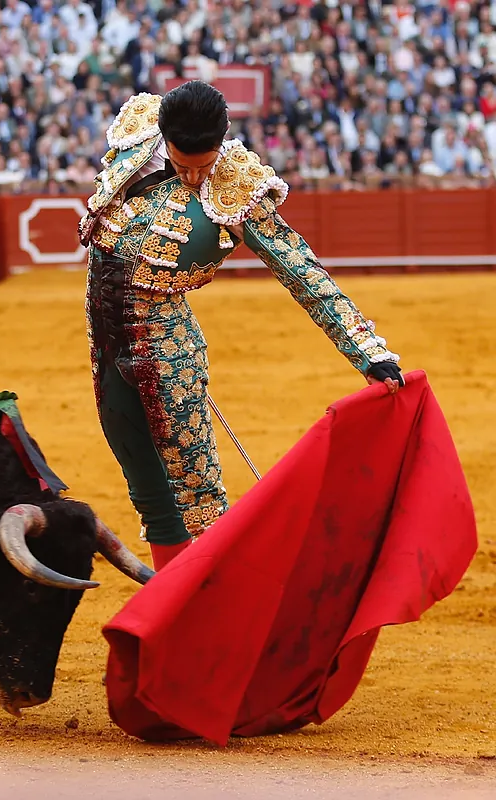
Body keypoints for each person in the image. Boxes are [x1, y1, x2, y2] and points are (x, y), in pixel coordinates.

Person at [78, 81, 404, 571]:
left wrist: (367, 351)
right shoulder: (138, 131)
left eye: (202, 166)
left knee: (199, 499)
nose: (191, 177)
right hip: (104, 343)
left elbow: (301, 271)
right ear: (162, 136)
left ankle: (222, 609)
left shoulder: (237, 182)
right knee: (146, 487)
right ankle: (174, 610)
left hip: (166, 350)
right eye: (182, 163)